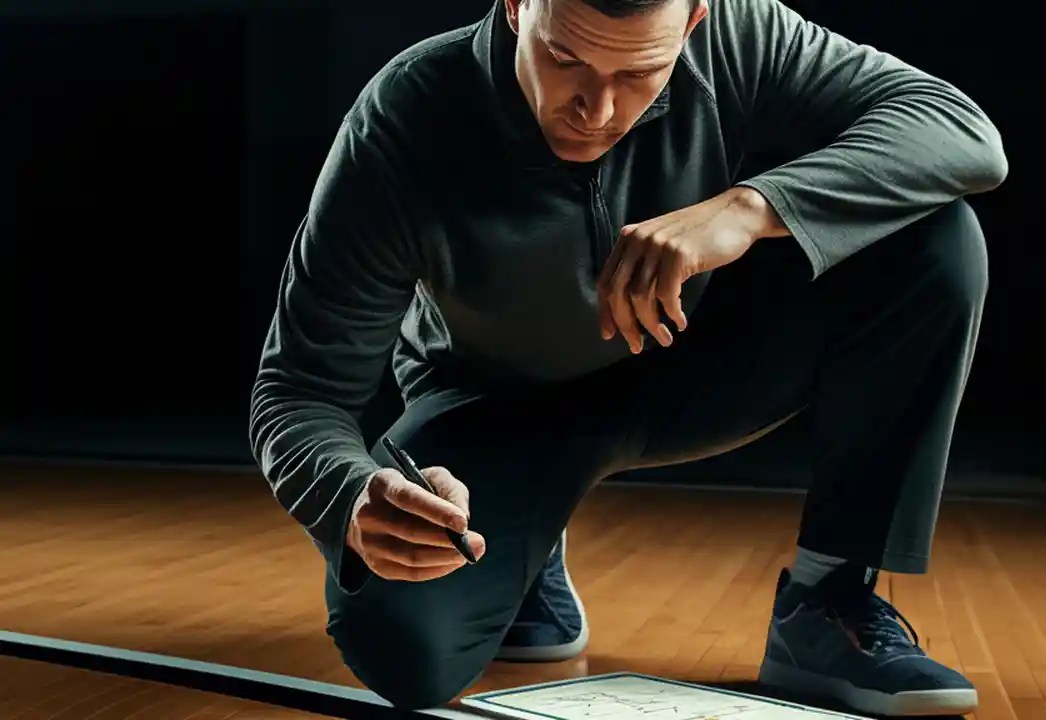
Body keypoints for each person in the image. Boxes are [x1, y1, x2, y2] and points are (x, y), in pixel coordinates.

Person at [248, 0, 1006, 715]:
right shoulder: (402, 120)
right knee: (400, 651)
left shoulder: (740, 33)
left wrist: (749, 208)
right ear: (517, 6)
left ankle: (828, 598)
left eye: (640, 73)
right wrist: (350, 496)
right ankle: (528, 548)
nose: (598, 110)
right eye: (564, 59)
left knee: (935, 241)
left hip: (695, 357)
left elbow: (960, 129)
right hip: (499, 408)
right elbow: (297, 391)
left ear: (695, 19)